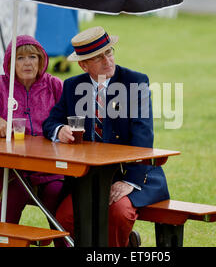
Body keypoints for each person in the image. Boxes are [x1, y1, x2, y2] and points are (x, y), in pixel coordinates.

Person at [42, 26, 170, 247]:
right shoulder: (73, 86)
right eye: (98, 58)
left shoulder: (135, 82)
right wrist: (59, 130)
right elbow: (50, 122)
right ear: (83, 65)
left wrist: (129, 181)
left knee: (118, 213)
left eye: (109, 53)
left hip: (133, 173)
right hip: (88, 179)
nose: (107, 61)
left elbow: (143, 137)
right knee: (63, 218)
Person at [0, 35, 64, 225]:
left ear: (41, 60)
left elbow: (72, 116)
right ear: (10, 62)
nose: (27, 63)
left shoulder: (54, 86)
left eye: (33, 57)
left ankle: (62, 243)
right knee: (16, 190)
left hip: (48, 167)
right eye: (20, 58)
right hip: (8, 167)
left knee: (56, 192)